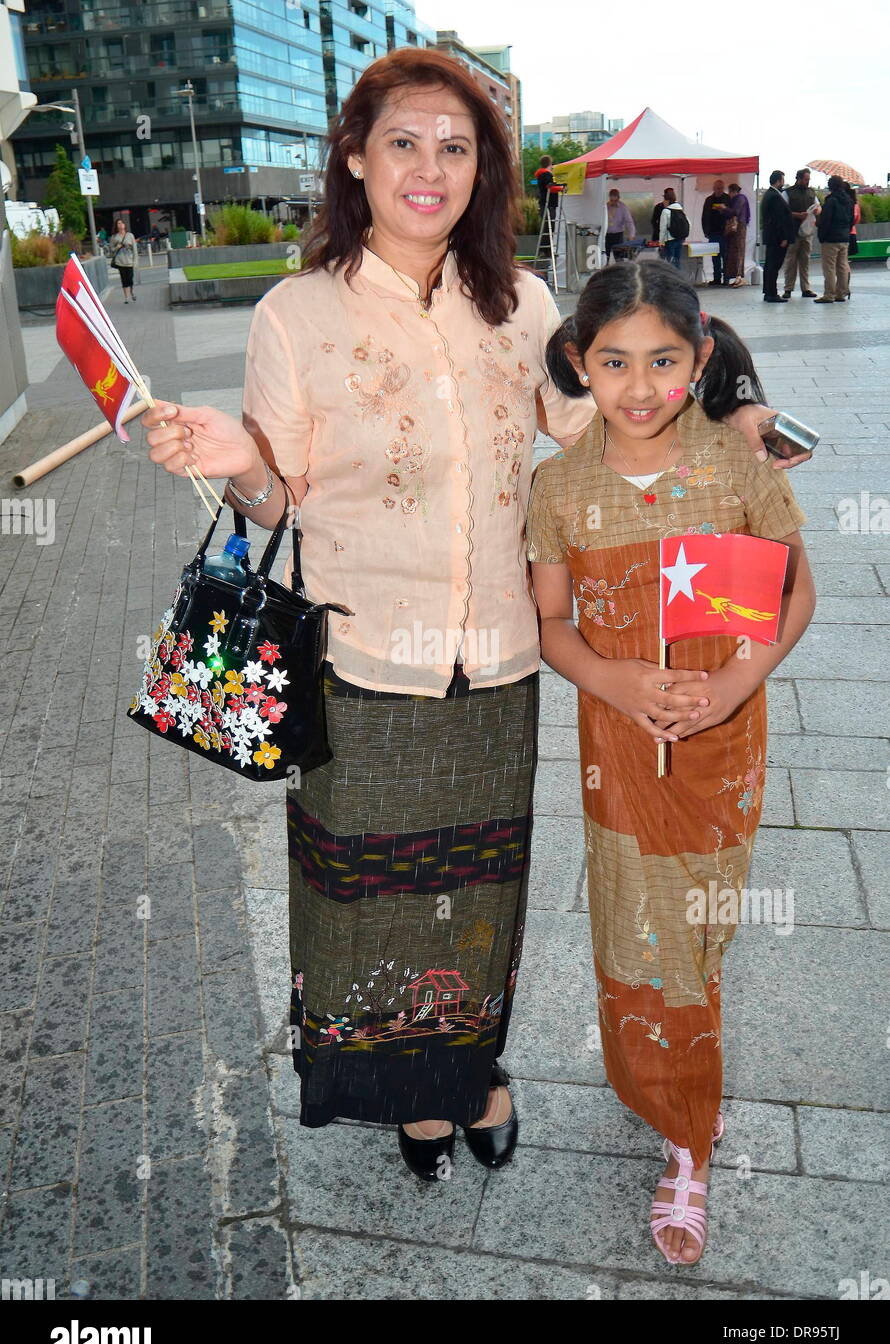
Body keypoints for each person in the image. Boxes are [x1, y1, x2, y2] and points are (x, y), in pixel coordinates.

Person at [138, 48, 811, 1187]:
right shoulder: (294, 315)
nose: (427, 167)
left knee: (475, 895)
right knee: (370, 898)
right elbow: (273, 499)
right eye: (402, 141)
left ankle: (470, 1075)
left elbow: (589, 415)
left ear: (479, 172)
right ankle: (411, 1095)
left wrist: (722, 412)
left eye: (455, 148)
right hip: (360, 662)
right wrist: (237, 458)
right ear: (355, 156)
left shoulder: (520, 303)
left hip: (499, 661)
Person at [527, 258, 815, 1265]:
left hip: (719, 751)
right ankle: (679, 1114)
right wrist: (610, 683)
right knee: (634, 936)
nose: (637, 385)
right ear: (577, 363)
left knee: (695, 936)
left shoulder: (733, 470)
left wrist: (734, 685)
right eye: (612, 361)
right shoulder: (557, 487)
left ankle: (684, 1126)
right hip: (616, 757)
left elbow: (789, 600)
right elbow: (554, 623)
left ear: (697, 360)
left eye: (660, 359)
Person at [814, 174, 853, 303]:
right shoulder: (848, 200)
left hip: (831, 239)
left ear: (830, 186)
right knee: (842, 266)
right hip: (844, 238)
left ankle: (829, 294)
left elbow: (826, 221)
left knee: (829, 268)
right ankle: (841, 293)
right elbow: (851, 219)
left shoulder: (831, 201)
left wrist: (821, 234)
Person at [782, 169, 819, 299]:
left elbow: (818, 206)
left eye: (808, 179)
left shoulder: (811, 192)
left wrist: (817, 210)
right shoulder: (787, 193)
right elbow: (782, 212)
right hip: (793, 231)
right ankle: (788, 288)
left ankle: (806, 288)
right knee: (790, 261)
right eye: (805, 179)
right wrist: (798, 215)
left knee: (805, 261)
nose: (807, 182)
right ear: (798, 178)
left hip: (807, 232)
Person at [760, 170, 796, 302]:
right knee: (774, 265)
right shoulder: (774, 196)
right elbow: (779, 219)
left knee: (770, 265)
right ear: (778, 181)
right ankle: (771, 293)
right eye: (782, 180)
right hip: (777, 238)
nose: (783, 183)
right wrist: (784, 237)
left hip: (771, 237)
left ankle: (768, 291)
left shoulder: (769, 194)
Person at [701, 179, 731, 285]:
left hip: (725, 233)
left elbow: (731, 214)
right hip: (712, 233)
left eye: (721, 188)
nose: (719, 190)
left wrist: (724, 210)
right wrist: (705, 231)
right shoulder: (709, 200)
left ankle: (726, 278)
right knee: (715, 257)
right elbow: (704, 217)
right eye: (717, 188)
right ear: (713, 188)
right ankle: (717, 278)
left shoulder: (727, 199)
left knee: (725, 256)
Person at [723, 183, 751, 286]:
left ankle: (739, 276)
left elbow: (735, 212)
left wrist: (724, 208)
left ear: (733, 191)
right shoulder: (740, 199)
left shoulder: (740, 199)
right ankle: (737, 276)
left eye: (729, 192)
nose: (729, 194)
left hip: (739, 227)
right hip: (739, 227)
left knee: (738, 250)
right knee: (735, 250)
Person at [108, 217, 137, 302]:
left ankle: (132, 292)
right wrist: (117, 247)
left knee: (130, 279)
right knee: (124, 279)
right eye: (118, 223)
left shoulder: (130, 235)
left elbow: (134, 249)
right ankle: (126, 297)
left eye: (122, 223)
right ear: (116, 226)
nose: (120, 225)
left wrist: (135, 261)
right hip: (120, 261)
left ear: (125, 225)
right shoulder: (114, 237)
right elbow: (111, 250)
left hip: (129, 261)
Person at [658, 192, 688, 269]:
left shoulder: (666, 211)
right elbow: (688, 223)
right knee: (677, 261)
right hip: (680, 239)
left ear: (667, 200)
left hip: (670, 240)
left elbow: (663, 228)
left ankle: (671, 280)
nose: (663, 202)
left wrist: (661, 242)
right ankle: (678, 279)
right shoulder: (680, 210)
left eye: (664, 199)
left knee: (670, 264)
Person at [605, 186, 635, 262]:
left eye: (615, 200)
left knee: (619, 257)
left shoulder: (623, 207)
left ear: (618, 198)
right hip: (606, 235)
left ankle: (620, 271)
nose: (613, 202)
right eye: (611, 200)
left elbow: (629, 222)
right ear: (609, 198)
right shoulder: (605, 206)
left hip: (618, 235)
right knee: (605, 257)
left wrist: (631, 235)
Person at [843, 181, 860, 300]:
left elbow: (851, 219)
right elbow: (856, 219)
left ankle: (844, 288)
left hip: (844, 234)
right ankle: (845, 288)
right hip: (852, 234)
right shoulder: (855, 204)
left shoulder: (845, 204)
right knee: (845, 262)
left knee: (842, 263)